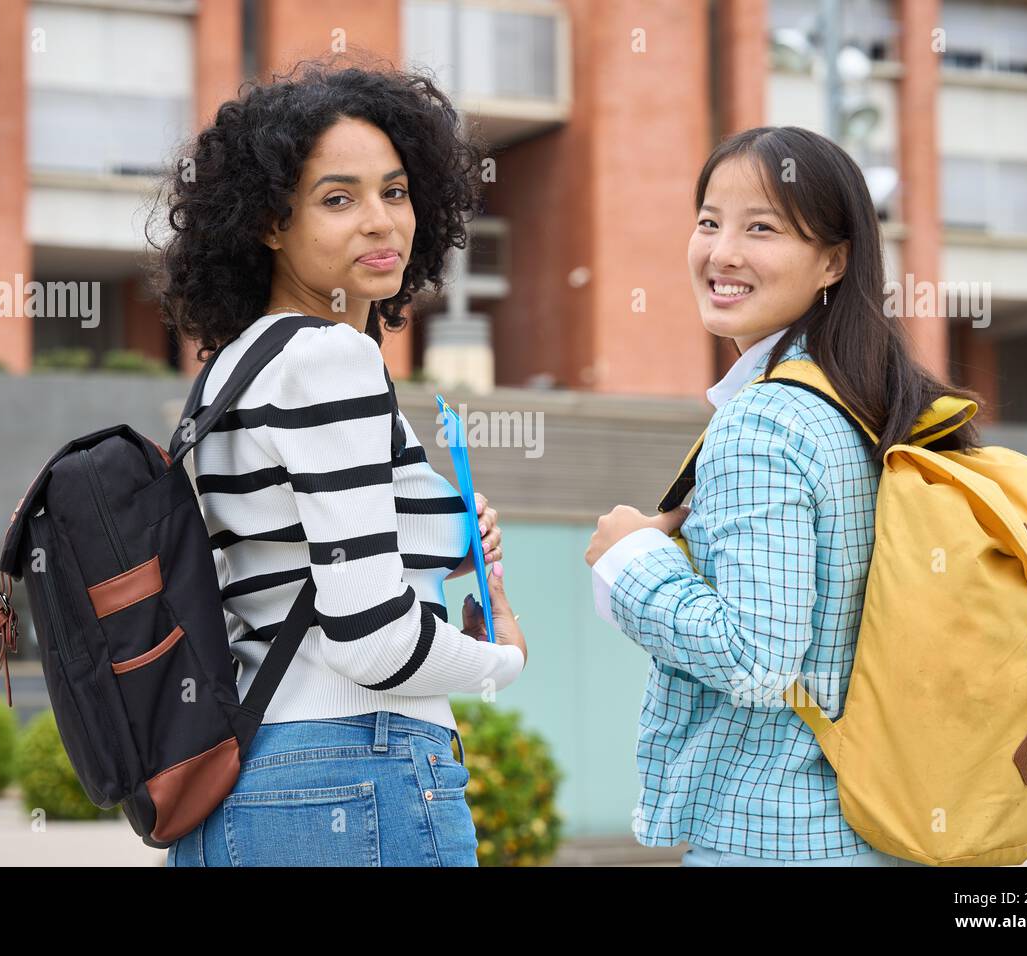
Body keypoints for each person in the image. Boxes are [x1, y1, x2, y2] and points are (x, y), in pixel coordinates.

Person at [150, 58, 528, 866]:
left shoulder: (230, 370)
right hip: (356, 766)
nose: (381, 221)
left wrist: (448, 533)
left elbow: (279, 571)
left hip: (246, 779)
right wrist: (504, 660)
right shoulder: (331, 359)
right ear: (269, 223)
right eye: (338, 198)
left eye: (395, 192)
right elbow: (369, 639)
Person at [585, 126, 983, 867]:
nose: (722, 252)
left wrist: (628, 558)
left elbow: (758, 661)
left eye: (760, 228)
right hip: (882, 822)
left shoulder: (767, 421)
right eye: (709, 222)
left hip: (776, 835)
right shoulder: (871, 409)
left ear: (833, 260)